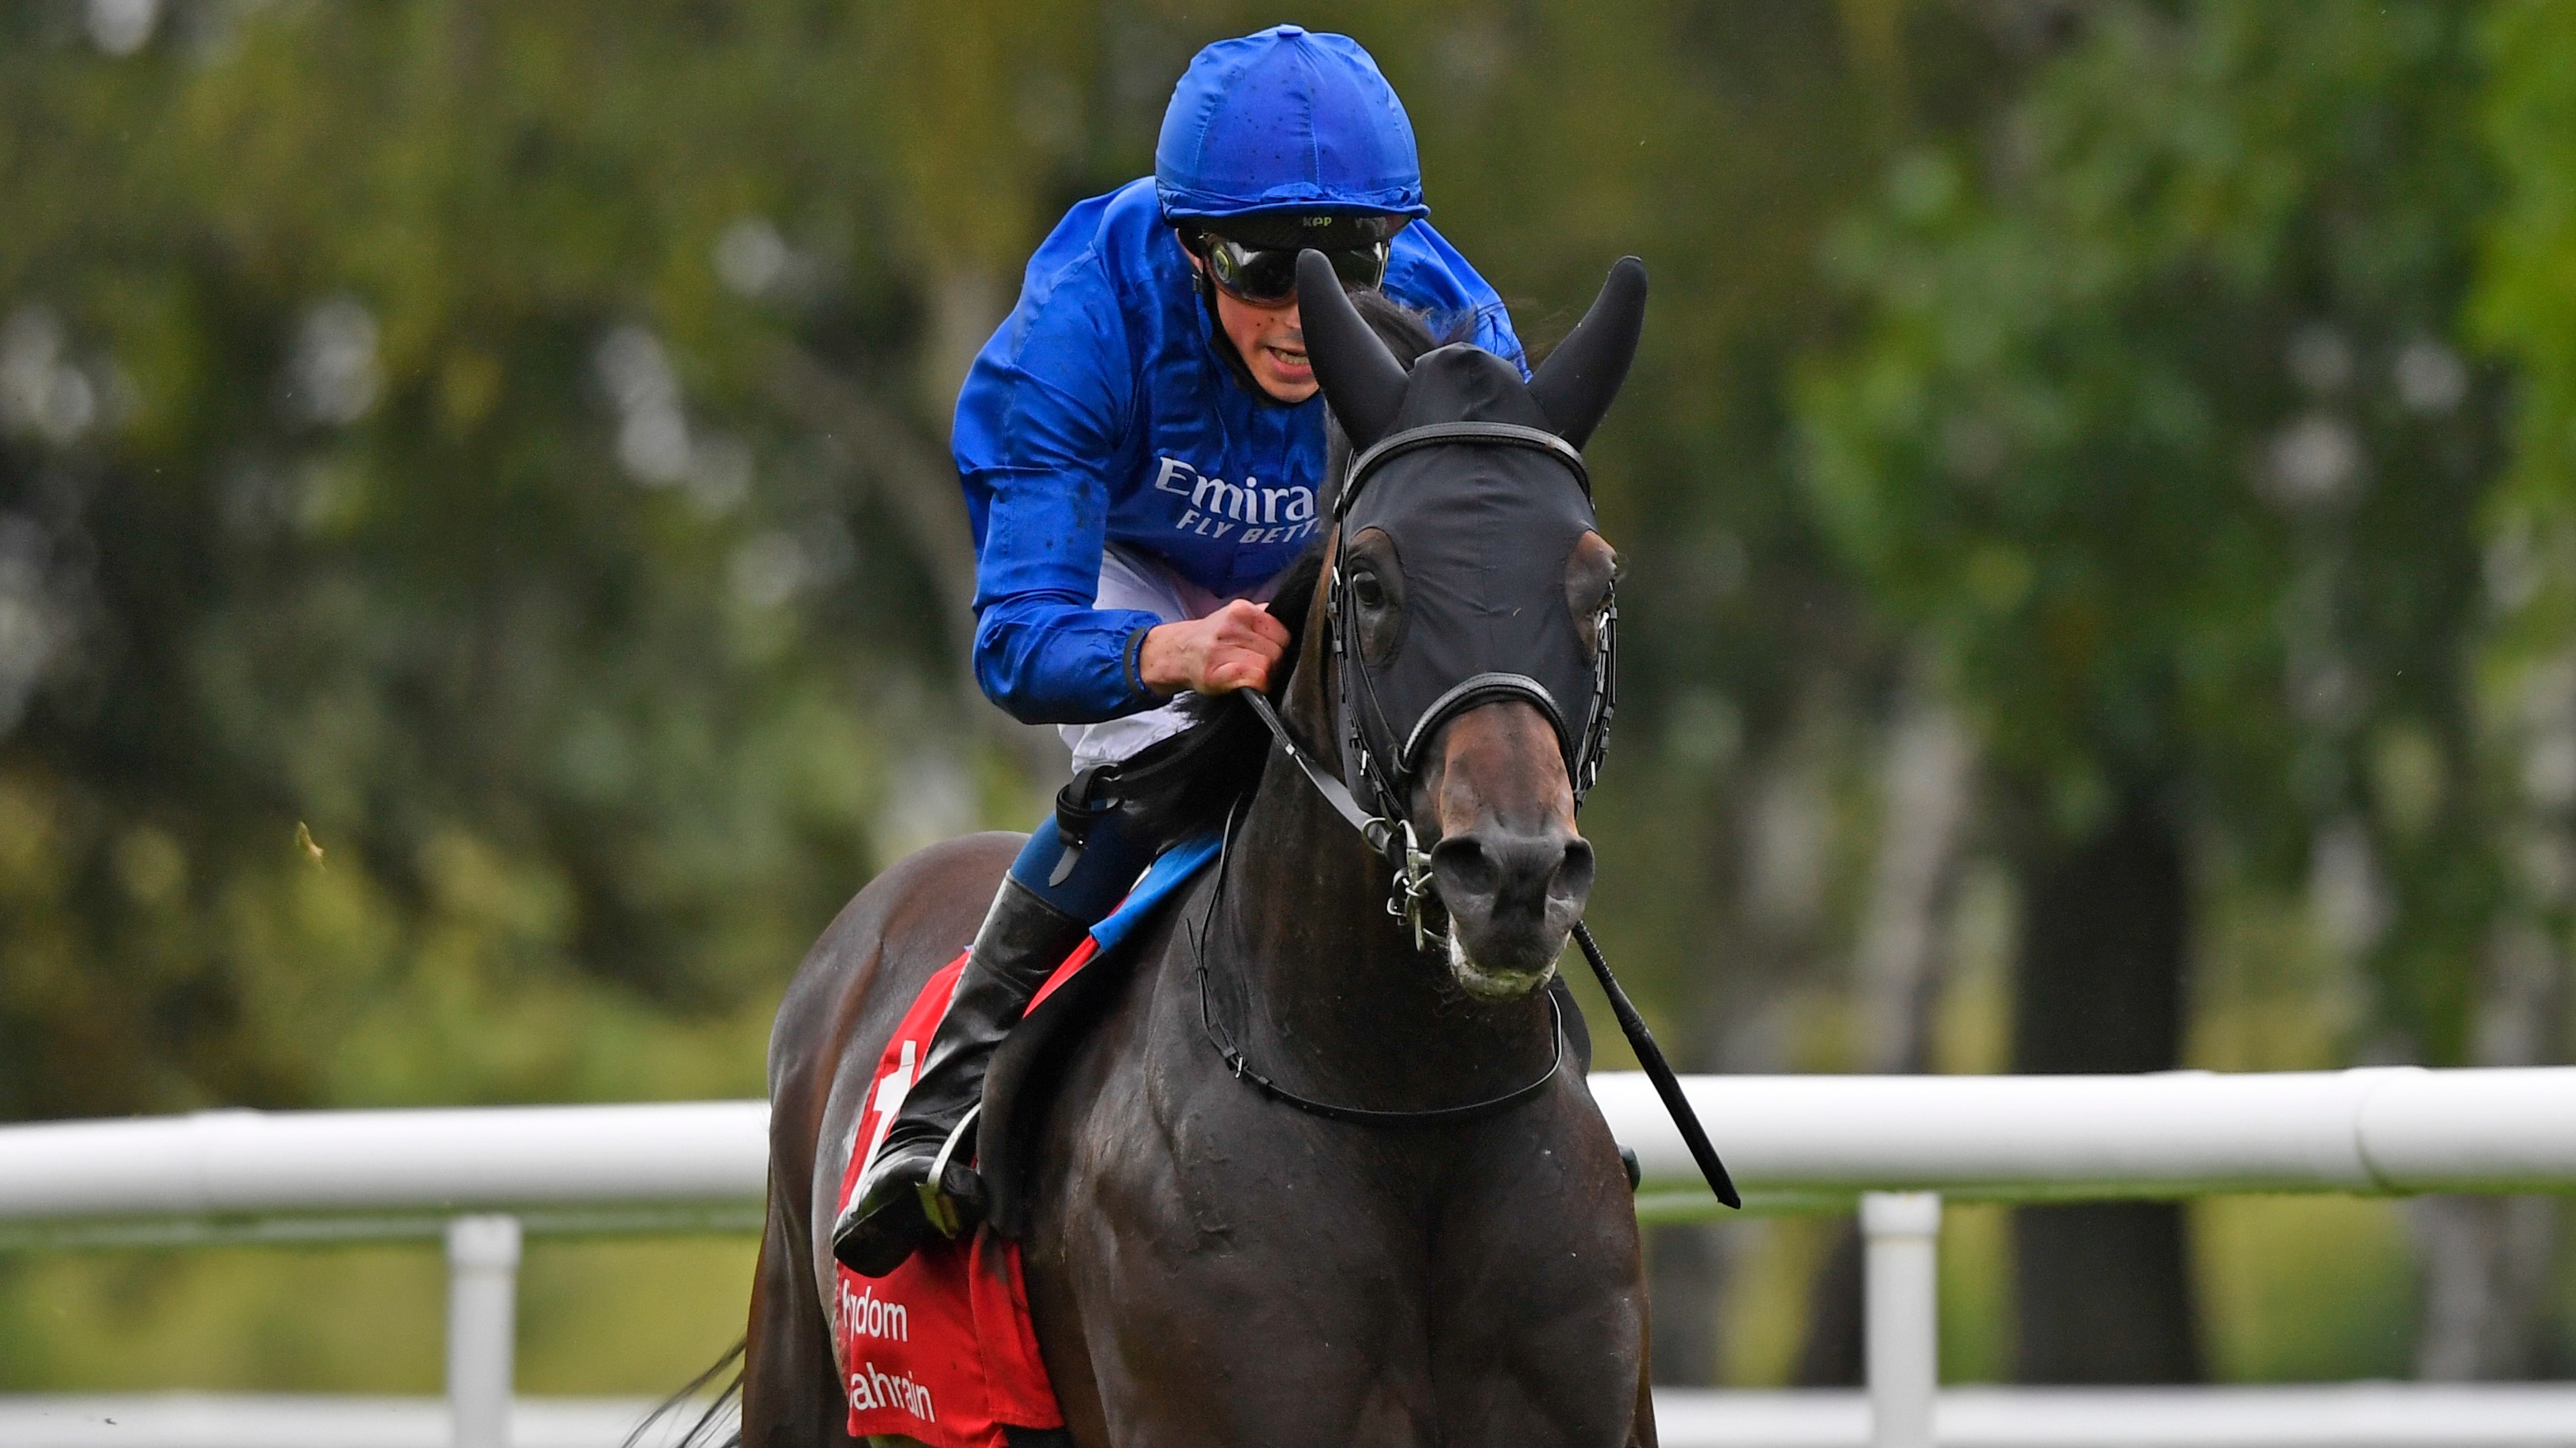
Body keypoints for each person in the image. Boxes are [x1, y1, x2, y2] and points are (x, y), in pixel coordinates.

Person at [833, 23, 1523, 1277]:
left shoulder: (1445, 309)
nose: (1309, 316)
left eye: (1347, 265)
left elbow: (1500, 540)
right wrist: (1168, 650)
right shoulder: (1076, 336)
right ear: (1192, 245)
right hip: (1127, 570)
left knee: (1450, 759)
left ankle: (1521, 1090)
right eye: (1265, 270)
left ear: (1391, 243)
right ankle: (950, 1086)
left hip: (1329, 553)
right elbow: (1020, 642)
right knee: (1178, 765)